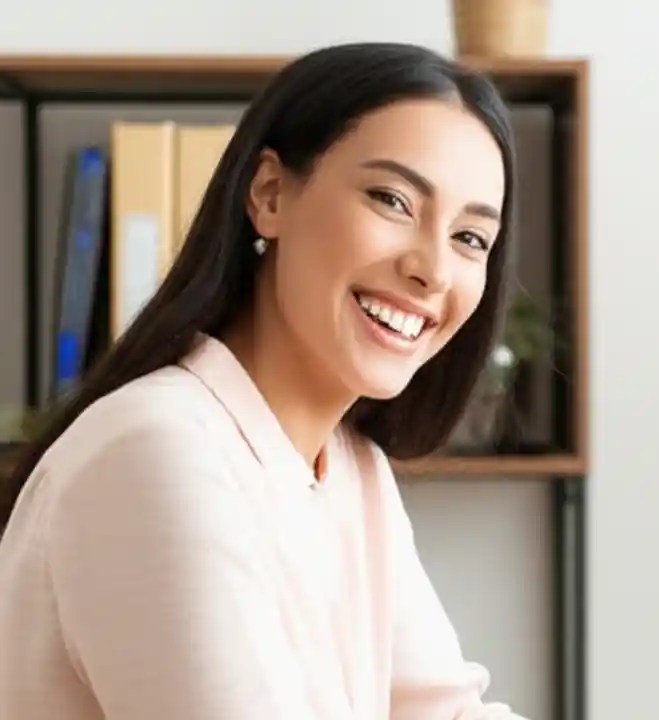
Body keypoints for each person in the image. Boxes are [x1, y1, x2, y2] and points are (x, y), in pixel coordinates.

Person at [0, 43, 526, 720]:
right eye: (392, 200)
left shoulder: (349, 469)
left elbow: (444, 713)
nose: (433, 269)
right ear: (270, 194)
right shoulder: (156, 449)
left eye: (471, 238)